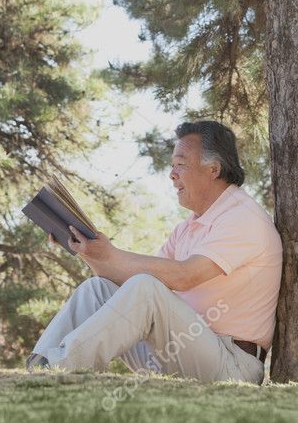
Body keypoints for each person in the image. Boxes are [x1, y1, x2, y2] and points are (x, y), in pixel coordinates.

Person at [26, 120, 283, 384]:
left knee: (146, 288)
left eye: (180, 165)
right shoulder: (187, 228)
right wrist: (89, 251)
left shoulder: (242, 216)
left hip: (230, 365)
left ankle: (57, 370)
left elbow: (183, 277)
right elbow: (129, 288)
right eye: (172, 166)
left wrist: (111, 253)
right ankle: (38, 366)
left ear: (213, 169)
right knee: (98, 290)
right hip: (180, 351)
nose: (172, 174)